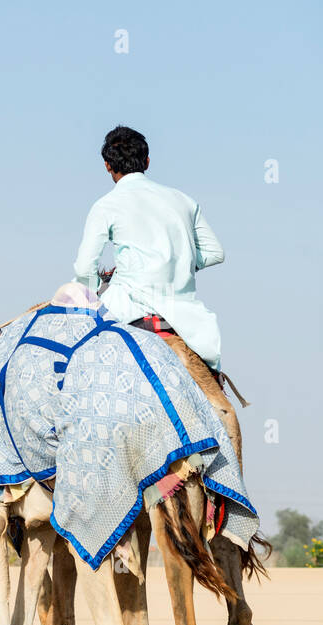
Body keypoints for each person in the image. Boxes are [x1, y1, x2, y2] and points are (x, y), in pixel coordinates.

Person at [72, 126, 241, 455]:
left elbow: (83, 268)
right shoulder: (183, 201)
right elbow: (216, 252)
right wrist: (176, 262)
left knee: (75, 384)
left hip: (126, 314)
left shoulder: (107, 205)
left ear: (108, 166)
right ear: (147, 160)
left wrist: (91, 296)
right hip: (189, 326)